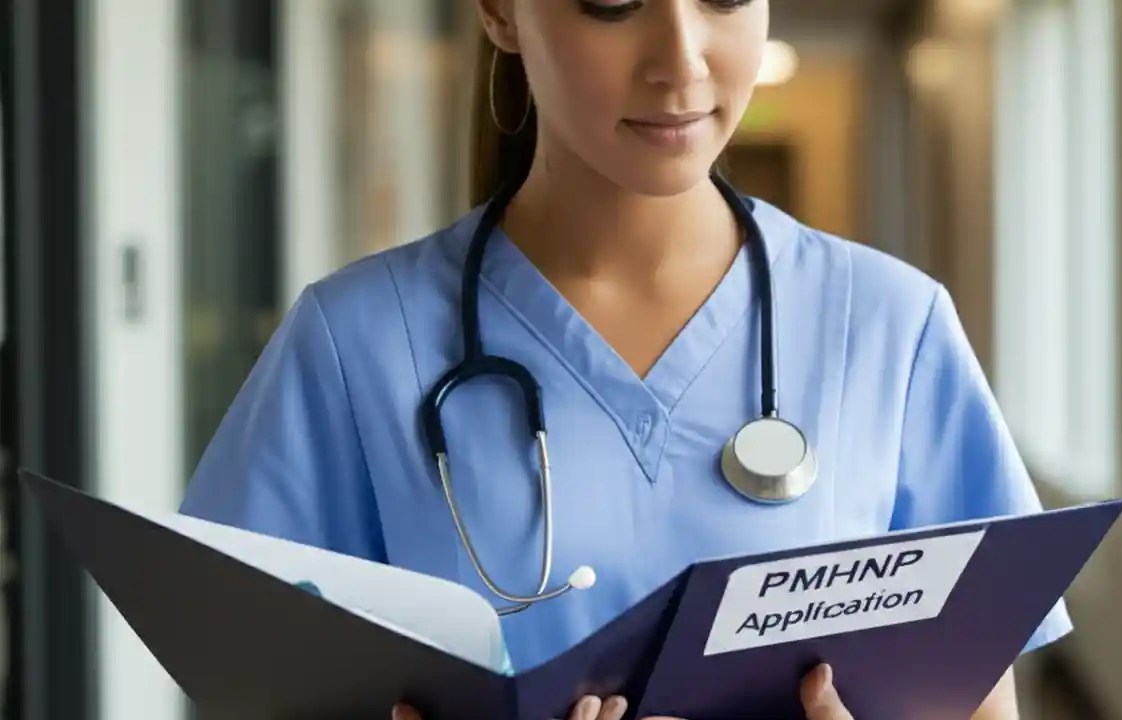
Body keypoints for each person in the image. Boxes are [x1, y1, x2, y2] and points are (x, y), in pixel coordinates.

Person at [179, 0, 1070, 718]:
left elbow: (977, 703)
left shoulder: (891, 328)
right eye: (613, 3)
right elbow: (249, 684)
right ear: (498, 13)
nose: (681, 57)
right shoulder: (358, 343)